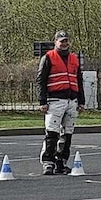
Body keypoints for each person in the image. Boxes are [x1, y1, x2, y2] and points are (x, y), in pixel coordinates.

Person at [37, 30, 85, 175]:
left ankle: (61, 161)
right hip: (55, 100)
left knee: (67, 134)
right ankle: (48, 162)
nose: (64, 44)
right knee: (52, 133)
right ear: (55, 42)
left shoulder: (74, 58)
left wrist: (81, 101)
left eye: (66, 41)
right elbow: (41, 80)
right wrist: (42, 101)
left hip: (71, 100)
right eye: (61, 41)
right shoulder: (48, 58)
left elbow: (79, 80)